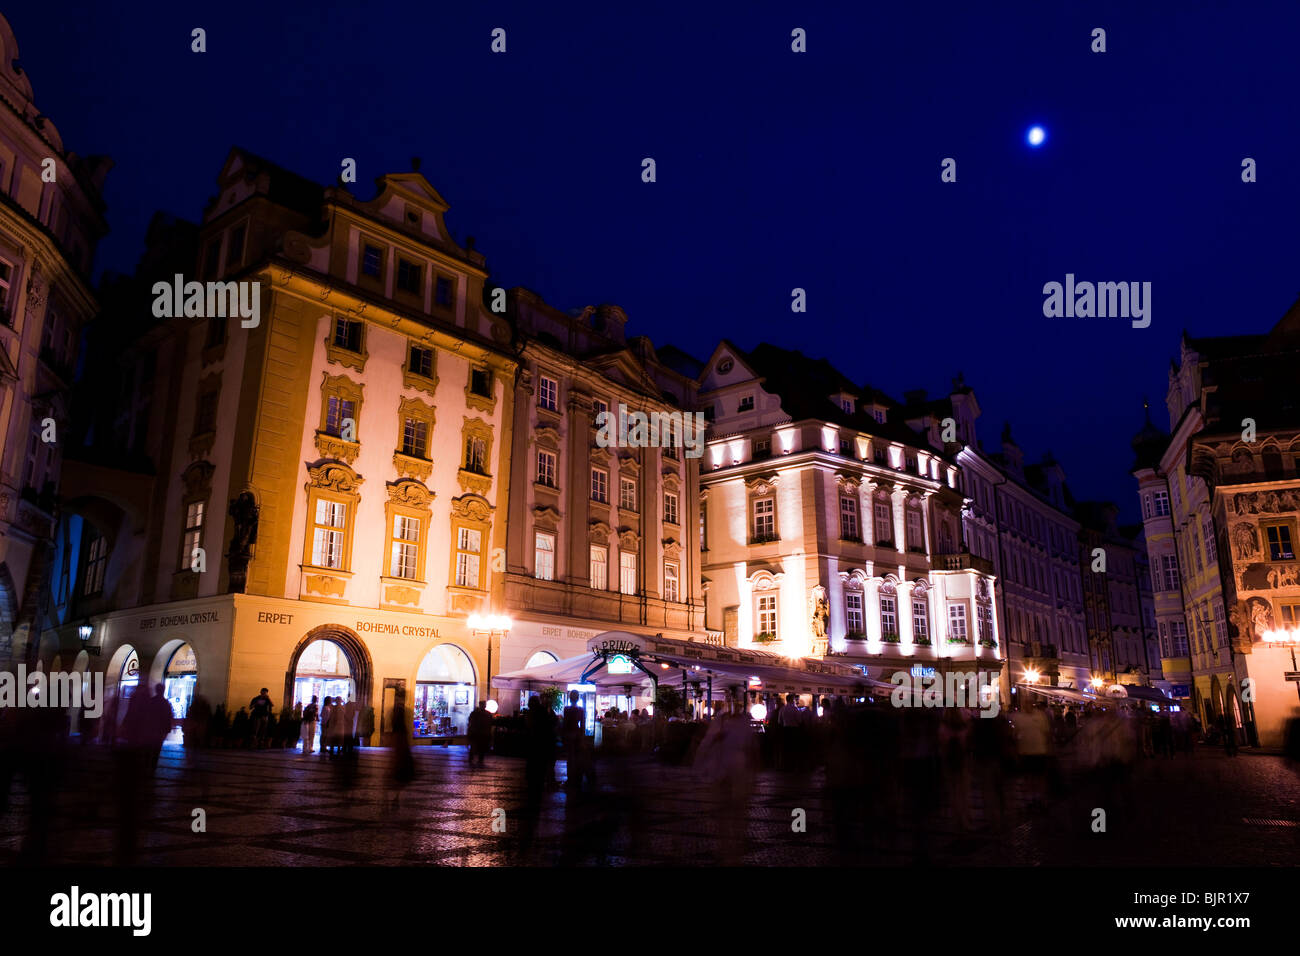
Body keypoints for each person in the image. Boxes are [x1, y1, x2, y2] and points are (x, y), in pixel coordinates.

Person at [561, 691, 586, 789]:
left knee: (570, 759)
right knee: (577, 758)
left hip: (569, 734)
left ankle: (570, 779)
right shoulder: (581, 710)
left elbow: (565, 724)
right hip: (578, 734)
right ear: (578, 698)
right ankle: (577, 778)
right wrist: (582, 737)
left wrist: (563, 735)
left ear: (570, 698)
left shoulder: (567, 709)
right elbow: (583, 724)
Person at [467, 700, 493, 768]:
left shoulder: (475, 713)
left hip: (478, 733)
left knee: (477, 747)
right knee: (480, 747)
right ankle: (478, 760)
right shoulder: (487, 714)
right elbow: (490, 724)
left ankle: (474, 759)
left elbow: (470, 721)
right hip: (480, 733)